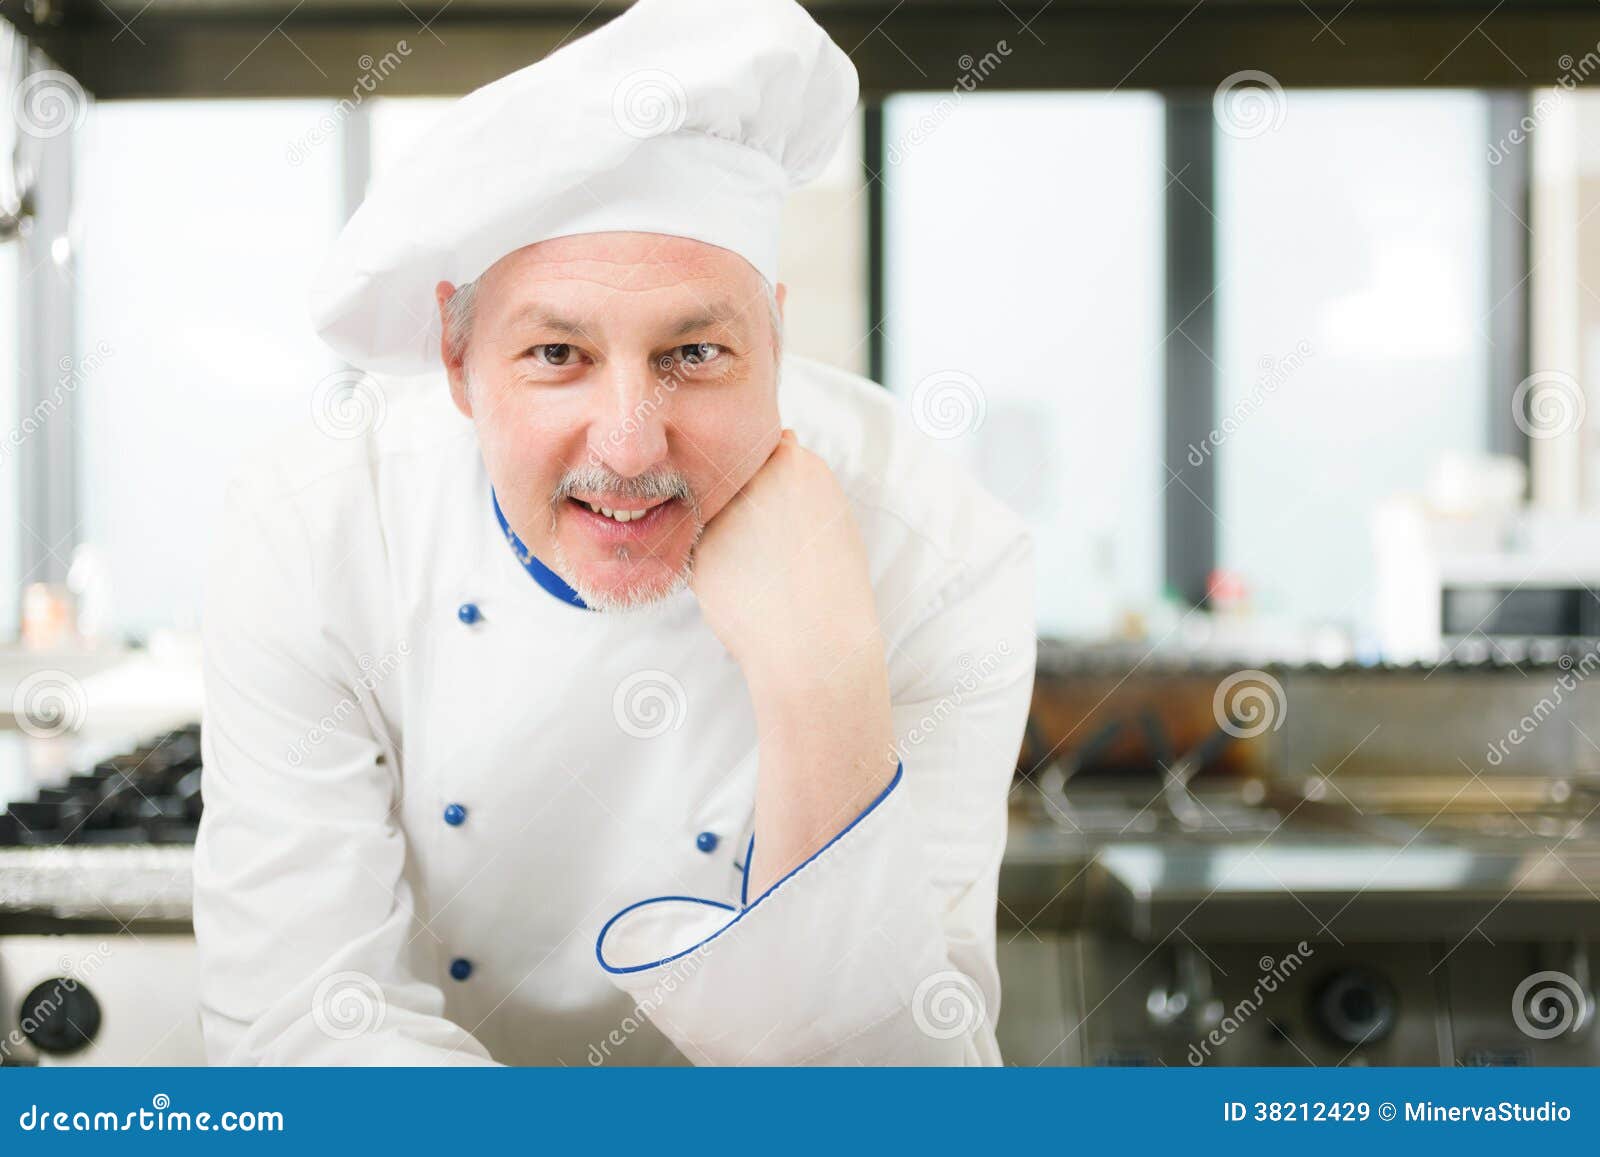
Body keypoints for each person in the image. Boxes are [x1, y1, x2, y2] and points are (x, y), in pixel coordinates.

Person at [194, 0, 1034, 1065]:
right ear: (456, 363)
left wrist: (821, 678)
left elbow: (911, 1087)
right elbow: (305, 1026)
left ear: (775, 333)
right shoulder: (313, 529)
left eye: (693, 353)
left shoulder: (939, 552)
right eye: (556, 354)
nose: (631, 447)